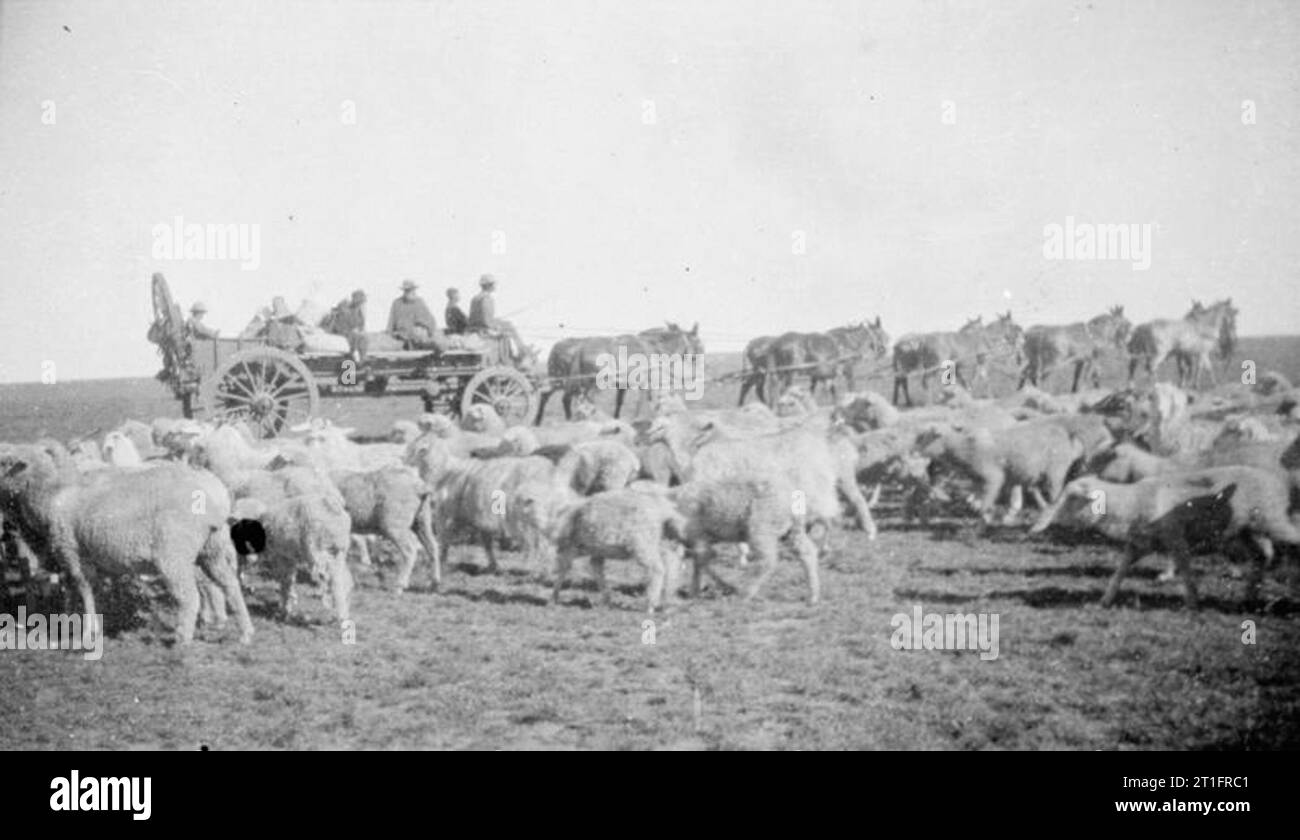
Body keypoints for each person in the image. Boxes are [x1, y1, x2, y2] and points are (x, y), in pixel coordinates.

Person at [467, 274, 526, 363]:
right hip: (483, 330)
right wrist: (495, 327)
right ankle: (514, 355)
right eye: (494, 284)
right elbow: (486, 321)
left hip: (475, 328)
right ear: (489, 285)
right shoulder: (487, 298)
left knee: (508, 324)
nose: (495, 286)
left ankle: (520, 351)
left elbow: (476, 317)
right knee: (508, 330)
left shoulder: (475, 298)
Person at [386, 279, 439, 349]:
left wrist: (428, 331)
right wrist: (390, 334)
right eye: (407, 290)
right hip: (403, 336)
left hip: (420, 337)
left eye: (411, 290)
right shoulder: (397, 303)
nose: (409, 292)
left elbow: (430, 320)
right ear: (404, 291)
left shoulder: (419, 302)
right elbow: (391, 320)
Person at [323, 289, 368, 357]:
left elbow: (361, 327)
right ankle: (353, 357)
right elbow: (334, 314)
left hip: (347, 332)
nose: (361, 304)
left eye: (362, 302)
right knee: (356, 337)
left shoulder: (359, 312)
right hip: (338, 330)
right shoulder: (344, 305)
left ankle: (359, 360)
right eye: (360, 301)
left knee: (361, 338)